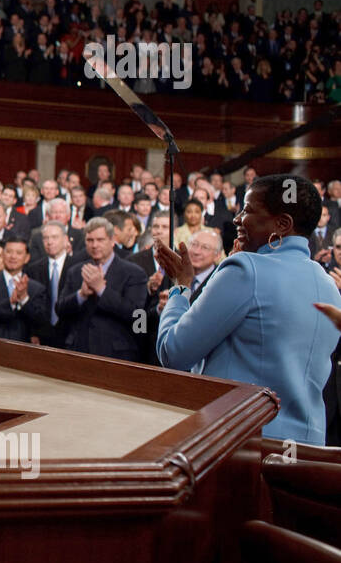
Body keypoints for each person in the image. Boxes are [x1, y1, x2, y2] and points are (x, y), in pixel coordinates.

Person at [156, 174, 341, 445]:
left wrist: (180, 287)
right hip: (304, 451)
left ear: (282, 224)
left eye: (248, 210)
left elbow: (173, 352)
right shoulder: (330, 286)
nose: (237, 218)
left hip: (240, 442)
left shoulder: (245, 269)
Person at [56, 216, 148, 361]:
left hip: (117, 354)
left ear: (112, 241)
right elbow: (60, 309)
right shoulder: (75, 271)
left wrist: (102, 290)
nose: (94, 245)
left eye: (100, 240)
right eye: (90, 240)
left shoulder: (134, 272)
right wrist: (81, 295)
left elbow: (137, 315)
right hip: (79, 351)